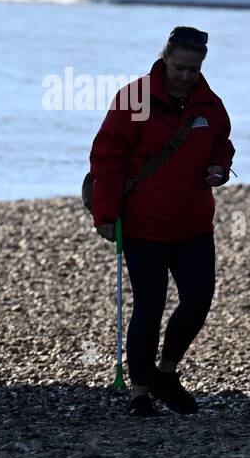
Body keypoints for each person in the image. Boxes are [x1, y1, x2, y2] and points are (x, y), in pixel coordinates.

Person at [88, 26, 234, 417]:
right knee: (149, 307)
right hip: (144, 225)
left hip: (194, 226)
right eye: (179, 67)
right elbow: (106, 157)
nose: (185, 75)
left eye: (193, 68)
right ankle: (139, 392)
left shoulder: (210, 104)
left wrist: (220, 167)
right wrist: (106, 214)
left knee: (199, 298)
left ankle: (166, 372)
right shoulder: (134, 98)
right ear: (165, 58)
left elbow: (223, 143)